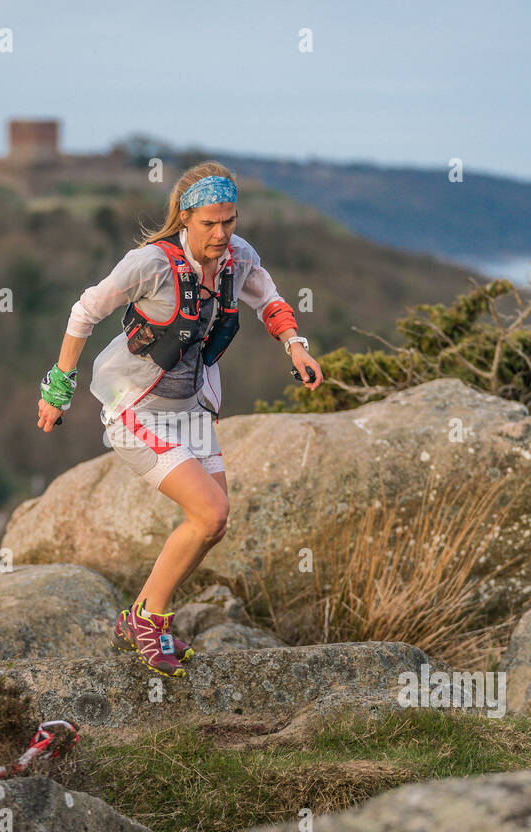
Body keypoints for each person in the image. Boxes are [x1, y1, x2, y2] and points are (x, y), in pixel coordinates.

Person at [36, 162, 323, 678]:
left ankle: (136, 619)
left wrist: (295, 346)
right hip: (135, 407)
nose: (221, 234)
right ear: (184, 217)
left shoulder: (239, 259)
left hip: (191, 408)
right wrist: (58, 388)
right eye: (210, 223)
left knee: (214, 524)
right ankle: (151, 619)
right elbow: (83, 312)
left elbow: (270, 300)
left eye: (229, 222)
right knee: (209, 513)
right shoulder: (149, 264)